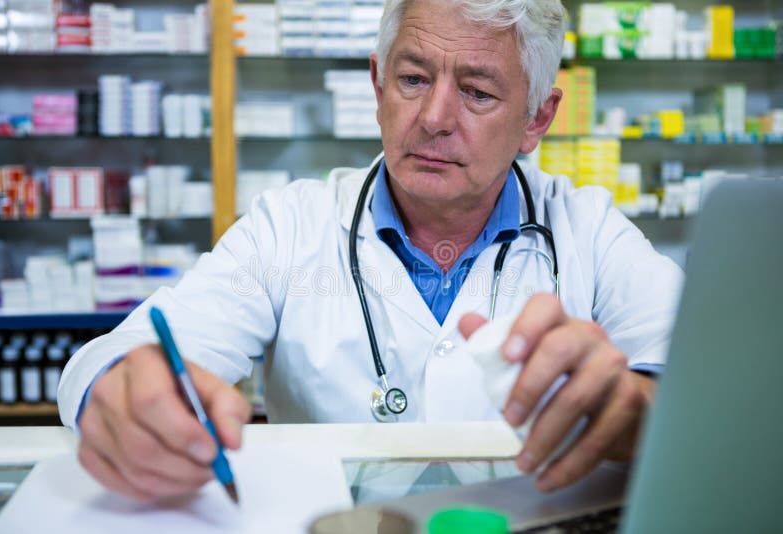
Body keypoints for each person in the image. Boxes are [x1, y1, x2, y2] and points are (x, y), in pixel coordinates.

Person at [58, 0, 683, 503]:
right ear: (377, 86)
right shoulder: (289, 225)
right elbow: (120, 356)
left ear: (537, 119)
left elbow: (698, 387)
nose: (434, 117)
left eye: (477, 92)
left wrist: (637, 412)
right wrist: (123, 389)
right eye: (412, 79)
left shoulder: (588, 230)